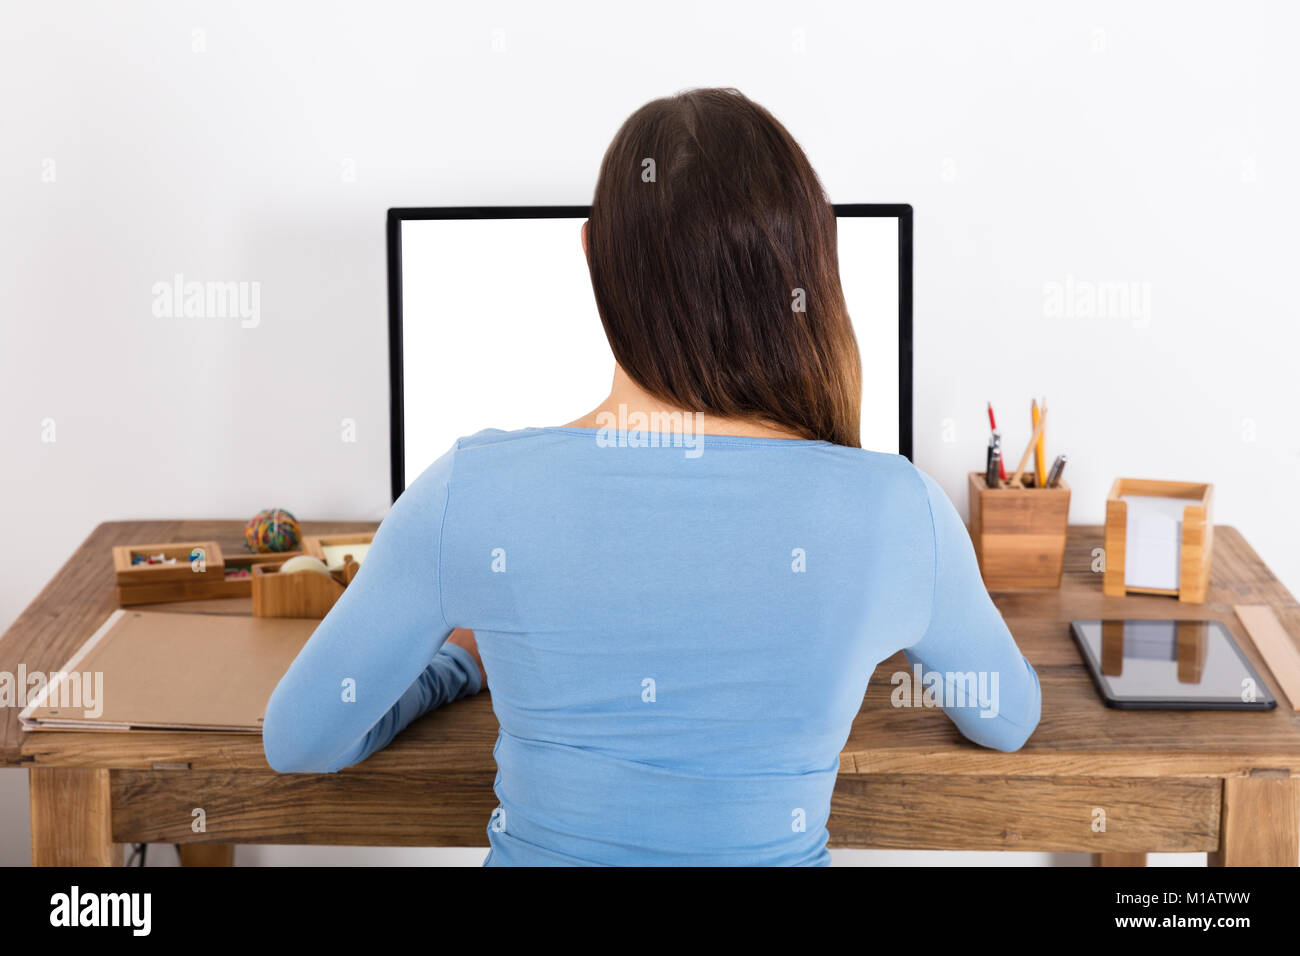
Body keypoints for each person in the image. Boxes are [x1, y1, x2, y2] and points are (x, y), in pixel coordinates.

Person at [263, 87, 1041, 866]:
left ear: (593, 256)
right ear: (812, 264)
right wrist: (873, 626)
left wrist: (461, 663)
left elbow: (299, 740)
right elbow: (1007, 719)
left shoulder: (471, 492)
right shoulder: (901, 513)